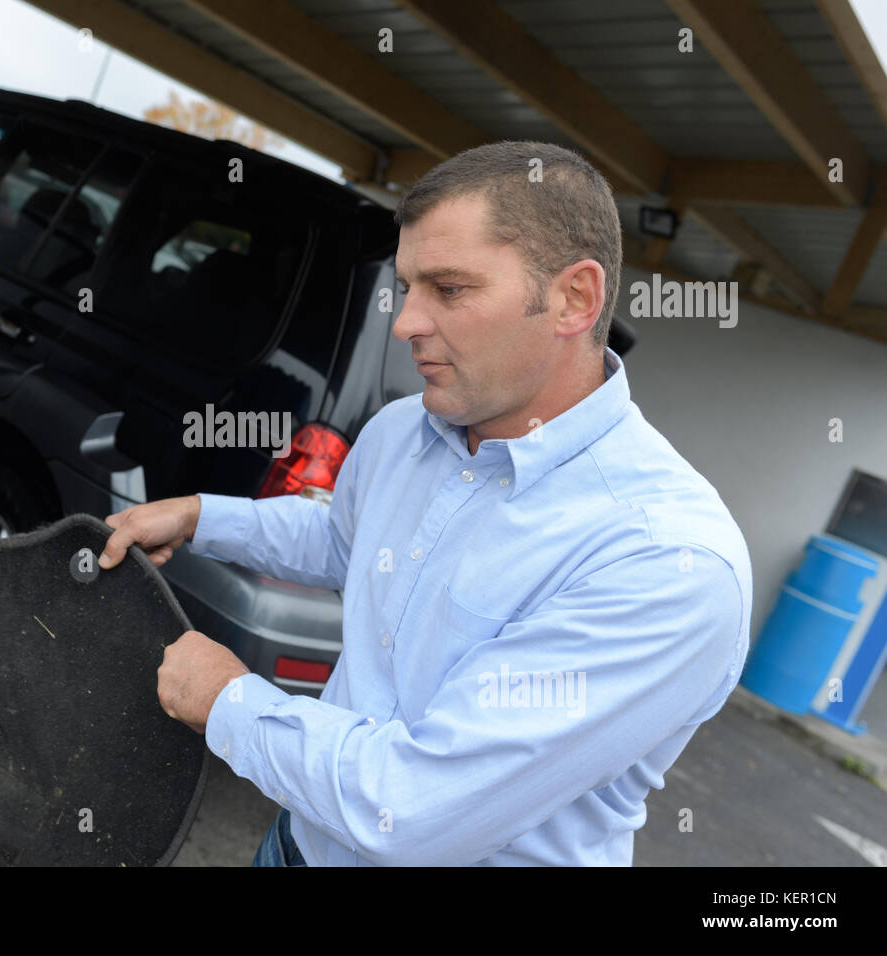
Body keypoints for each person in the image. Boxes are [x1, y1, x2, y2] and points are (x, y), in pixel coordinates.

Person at [97, 140, 753, 866]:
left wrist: (225, 699)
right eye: (407, 286)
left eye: (449, 289)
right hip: (295, 846)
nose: (407, 321)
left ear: (575, 298)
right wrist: (202, 517)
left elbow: (409, 808)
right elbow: (348, 540)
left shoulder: (667, 561)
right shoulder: (408, 428)